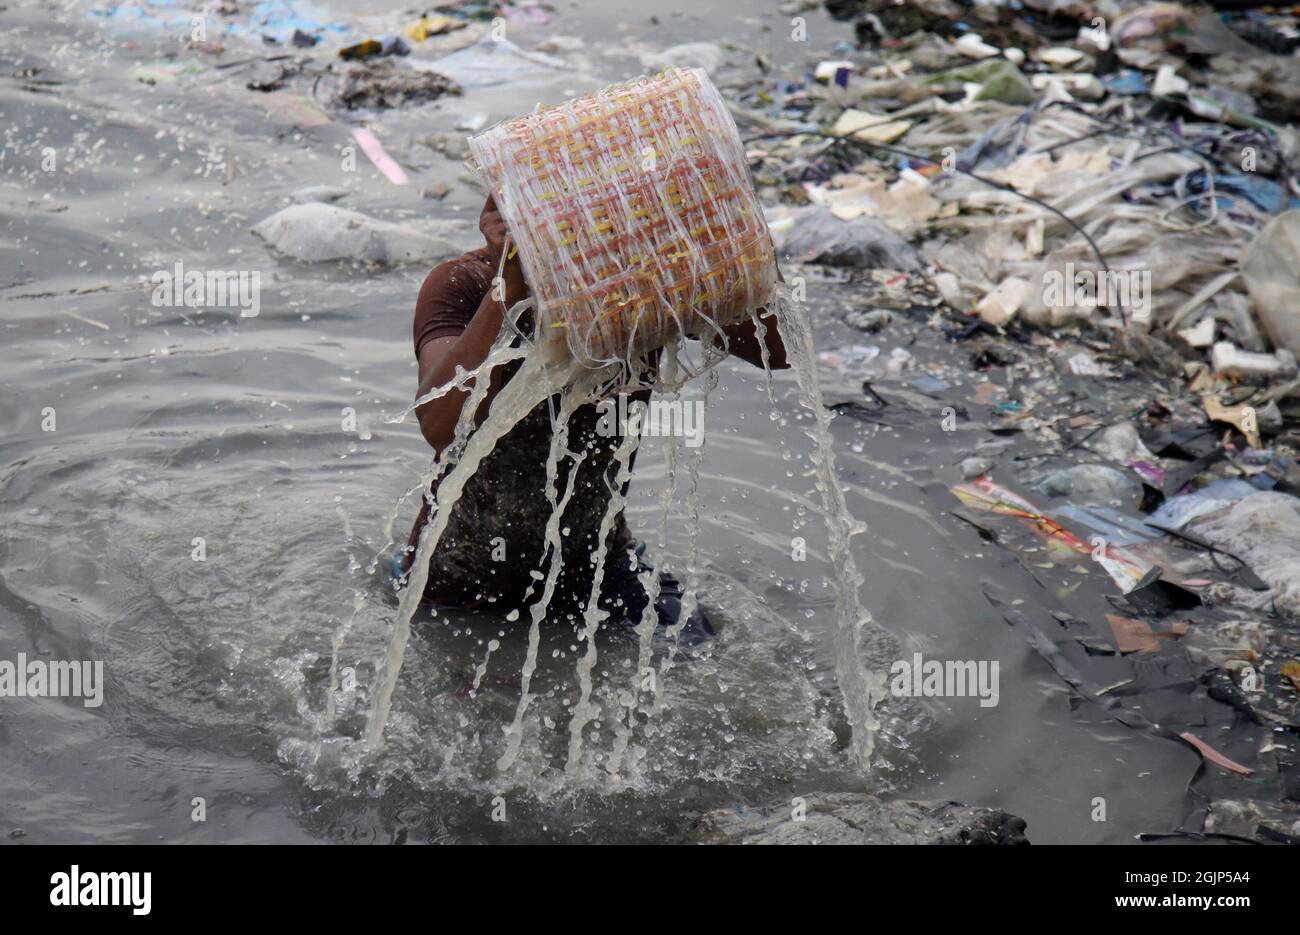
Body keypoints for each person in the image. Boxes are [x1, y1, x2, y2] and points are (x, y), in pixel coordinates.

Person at [397, 195, 788, 641]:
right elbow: (441, 426)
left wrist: (735, 247)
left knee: (695, 651)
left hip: (597, 567)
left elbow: (778, 351)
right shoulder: (466, 283)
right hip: (459, 578)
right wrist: (509, 284)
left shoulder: (650, 287)